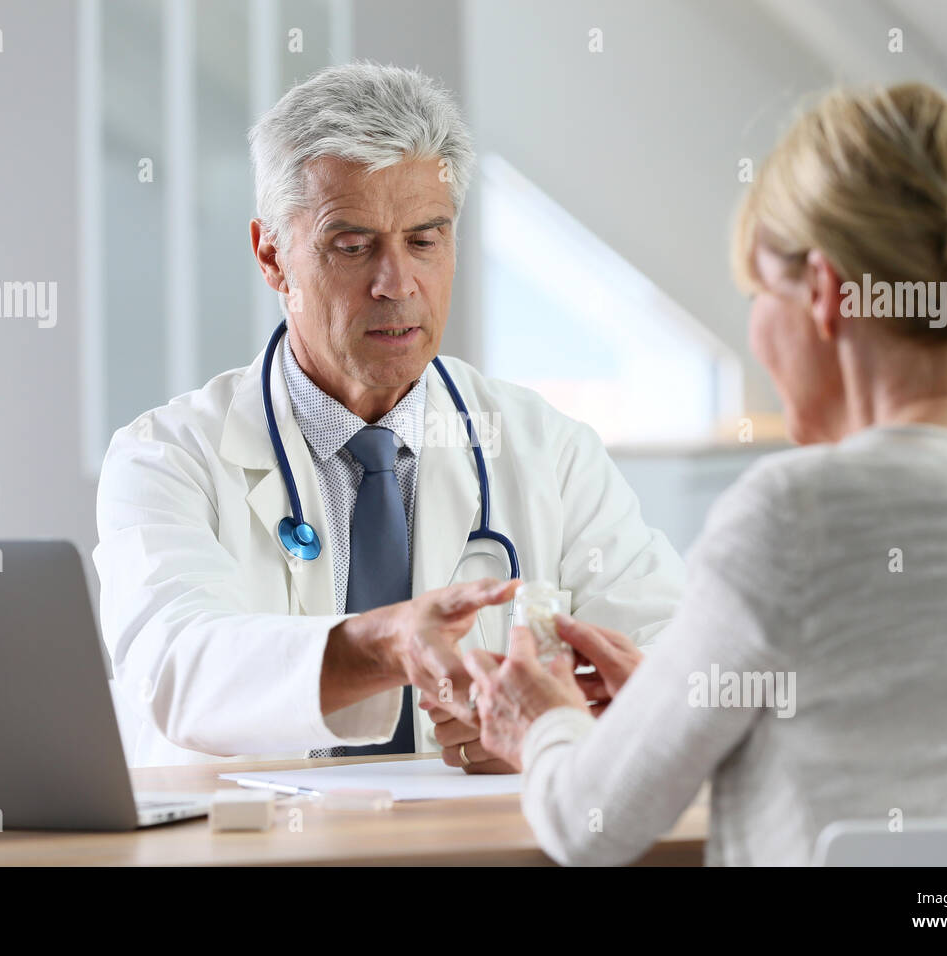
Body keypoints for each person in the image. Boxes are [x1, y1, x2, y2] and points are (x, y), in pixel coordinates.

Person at [463, 81, 947, 864]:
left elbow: (586, 825)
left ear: (826, 292)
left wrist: (541, 722)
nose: (757, 326)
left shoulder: (797, 516)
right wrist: (668, 706)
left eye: (760, 291)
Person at [92, 63, 685, 768]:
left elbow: (675, 665)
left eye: (425, 240)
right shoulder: (167, 458)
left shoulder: (548, 451)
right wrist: (387, 644)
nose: (396, 284)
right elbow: (175, 666)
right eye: (353, 246)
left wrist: (561, 726)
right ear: (272, 255)